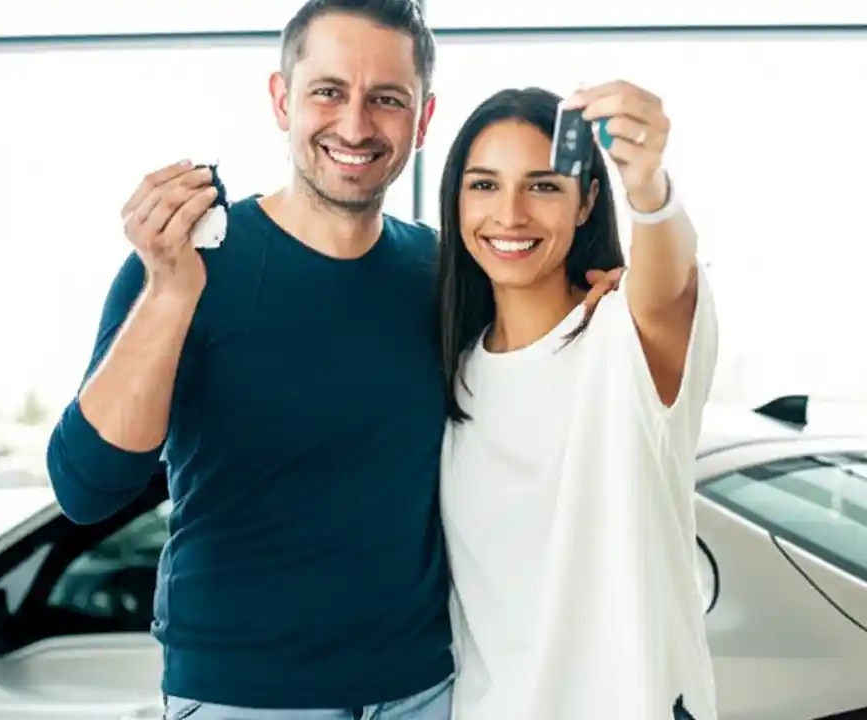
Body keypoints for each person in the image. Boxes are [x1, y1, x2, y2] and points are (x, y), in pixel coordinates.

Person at [44, 2, 455, 718]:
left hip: (424, 690)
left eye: (386, 99)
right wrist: (172, 290)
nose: (355, 125)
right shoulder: (186, 261)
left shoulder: (444, 274)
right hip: (243, 696)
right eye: (328, 91)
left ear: (421, 120)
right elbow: (87, 488)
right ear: (281, 99)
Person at [436, 85, 720, 719]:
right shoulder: (453, 371)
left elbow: (669, 285)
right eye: (484, 185)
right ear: (455, 201)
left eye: (542, 186)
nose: (510, 214)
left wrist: (647, 186)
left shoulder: (623, 336)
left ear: (588, 200)